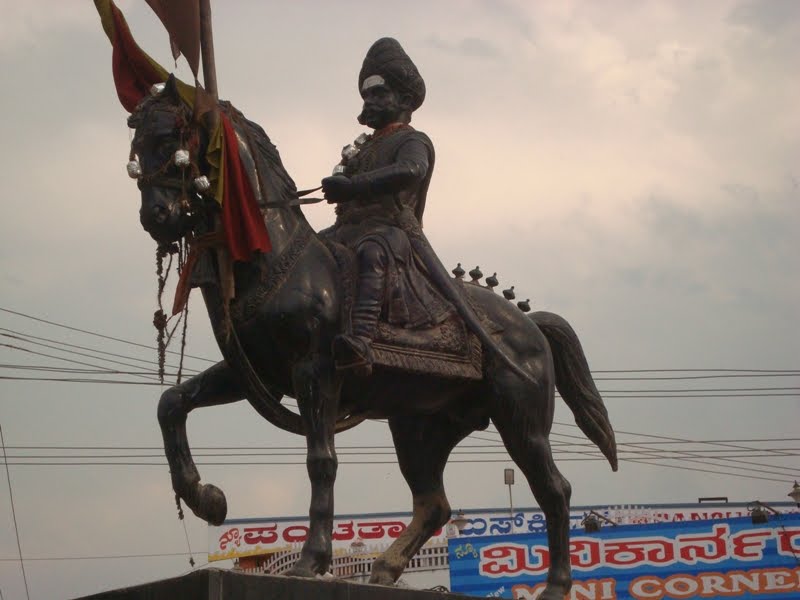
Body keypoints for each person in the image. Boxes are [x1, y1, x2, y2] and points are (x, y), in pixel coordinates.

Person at [321, 38, 451, 375]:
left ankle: (361, 339)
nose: (370, 101)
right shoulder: (361, 147)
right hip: (346, 228)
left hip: (390, 229)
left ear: (405, 100)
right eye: (366, 95)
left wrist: (353, 185)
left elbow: (412, 170)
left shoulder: (412, 140)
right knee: (305, 250)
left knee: (372, 252)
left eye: (379, 94)